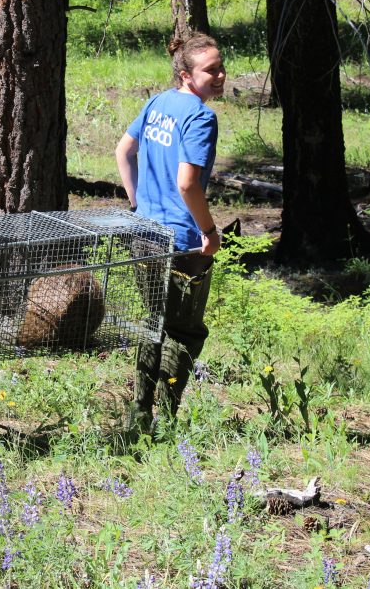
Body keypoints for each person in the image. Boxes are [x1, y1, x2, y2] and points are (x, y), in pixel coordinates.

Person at [115, 31, 226, 436]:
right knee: (184, 331)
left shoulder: (158, 103)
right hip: (182, 242)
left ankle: (140, 415)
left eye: (221, 67)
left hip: (144, 234)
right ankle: (166, 423)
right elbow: (187, 183)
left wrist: (138, 204)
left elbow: (123, 151)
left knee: (153, 323)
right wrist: (208, 230)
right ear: (186, 75)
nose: (220, 75)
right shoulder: (200, 117)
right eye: (210, 70)